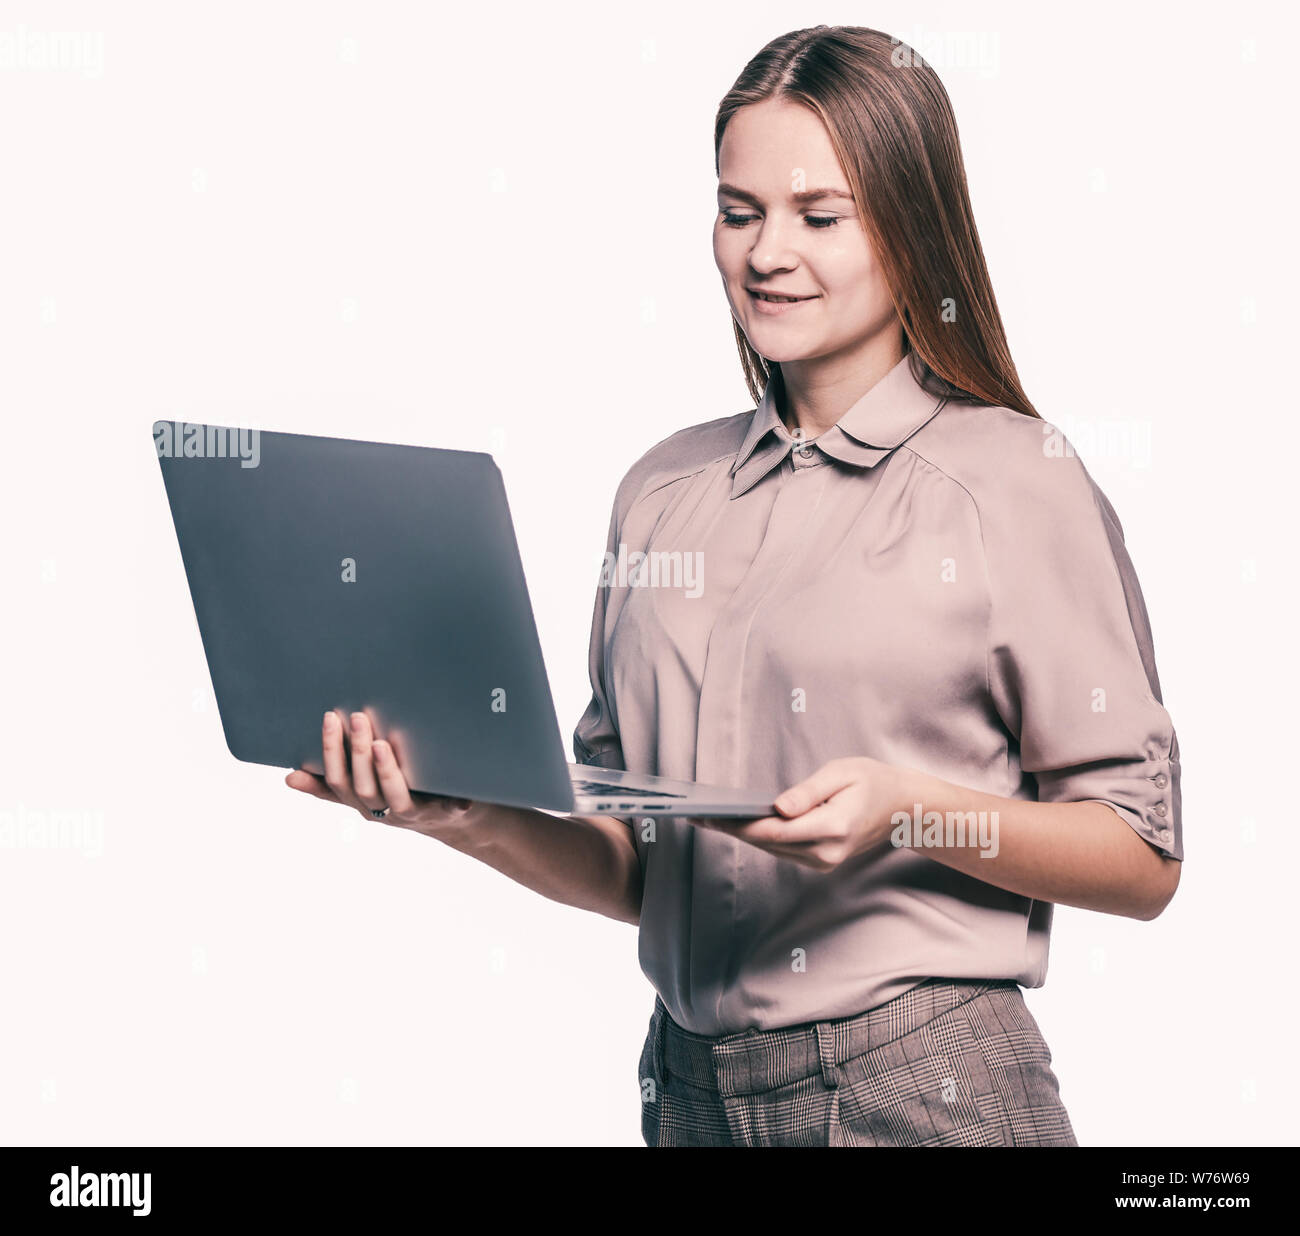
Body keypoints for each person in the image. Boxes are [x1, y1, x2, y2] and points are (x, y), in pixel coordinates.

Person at [286, 24, 1182, 1147]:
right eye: (738, 210)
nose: (767, 253)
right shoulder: (663, 488)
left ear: (910, 224)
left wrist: (902, 808)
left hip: (918, 1085)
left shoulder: (1007, 482)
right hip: (688, 1089)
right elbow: (637, 868)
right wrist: (461, 811)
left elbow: (1141, 857)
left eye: (820, 215)